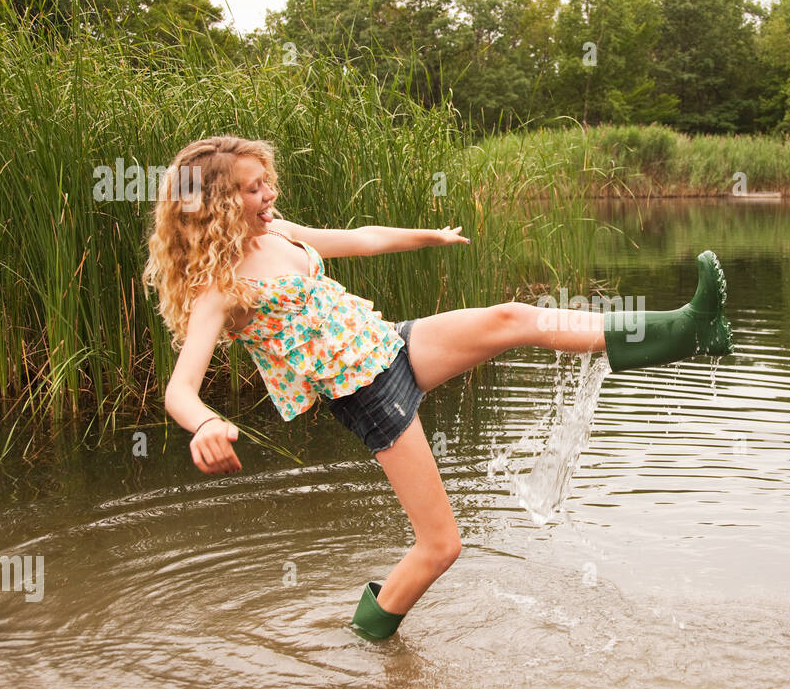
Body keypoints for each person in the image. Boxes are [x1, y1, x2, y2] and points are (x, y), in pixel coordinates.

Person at [143, 135, 733, 641]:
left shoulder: (283, 235)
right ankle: (367, 637)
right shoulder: (219, 289)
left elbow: (362, 239)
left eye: (265, 182)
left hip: (393, 346)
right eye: (251, 189)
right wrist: (207, 423)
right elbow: (180, 391)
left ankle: (689, 330)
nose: (267, 195)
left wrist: (427, 235)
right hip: (367, 394)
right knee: (440, 546)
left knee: (513, 317)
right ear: (219, 203)